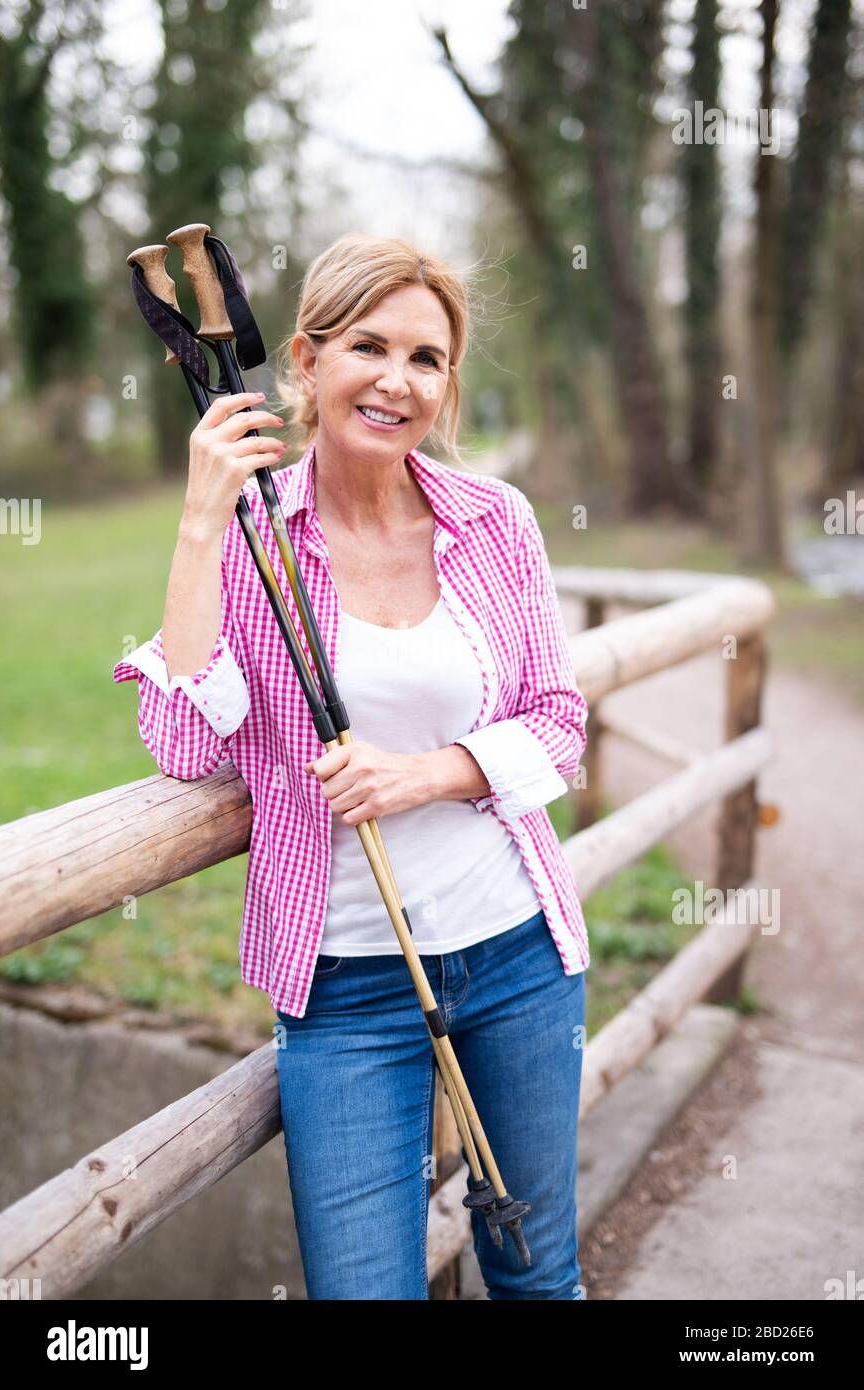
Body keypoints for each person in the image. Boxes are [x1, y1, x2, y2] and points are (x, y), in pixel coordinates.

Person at [113, 233, 590, 1300]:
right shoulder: (253, 539)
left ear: (446, 384)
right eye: (369, 346)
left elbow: (559, 720)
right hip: (345, 988)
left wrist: (424, 773)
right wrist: (201, 521)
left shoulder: (495, 522)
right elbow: (187, 743)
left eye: (427, 357)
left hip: (518, 955)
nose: (397, 379)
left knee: (536, 1274)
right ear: (306, 360)